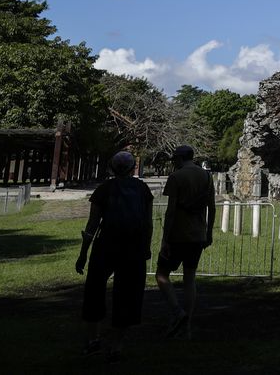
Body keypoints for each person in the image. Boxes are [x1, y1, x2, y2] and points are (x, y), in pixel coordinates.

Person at [76, 150, 153, 362]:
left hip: (106, 245)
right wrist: (146, 247)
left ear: (111, 168)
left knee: (94, 290)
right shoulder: (142, 189)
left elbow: (92, 224)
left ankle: (93, 340)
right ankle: (117, 345)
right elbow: (148, 223)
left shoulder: (104, 189)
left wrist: (83, 253)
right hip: (134, 247)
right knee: (127, 295)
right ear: (132, 168)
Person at [154, 144, 216, 339]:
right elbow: (212, 208)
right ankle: (187, 327)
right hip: (197, 234)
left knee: (161, 274)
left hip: (178, 235)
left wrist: (165, 239)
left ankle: (177, 312)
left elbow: (171, 211)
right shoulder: (206, 176)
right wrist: (209, 232)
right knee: (190, 279)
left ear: (179, 159)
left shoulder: (176, 177)